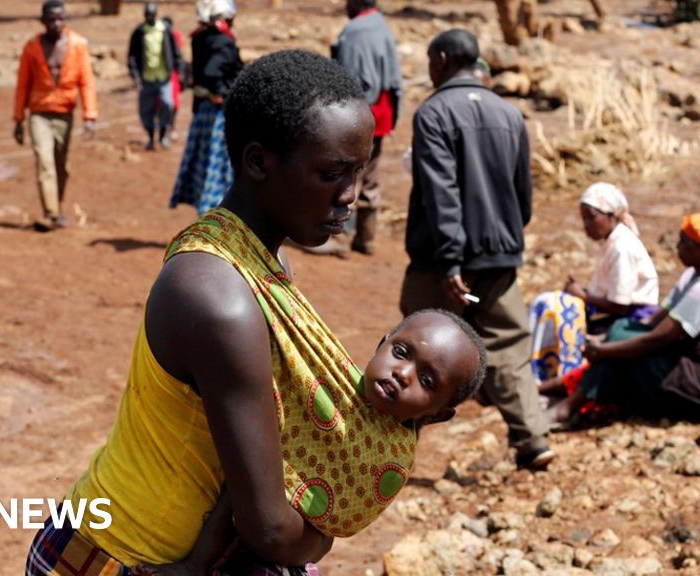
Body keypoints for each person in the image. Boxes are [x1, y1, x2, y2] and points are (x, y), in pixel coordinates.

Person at [24, 50, 477, 575]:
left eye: (359, 170)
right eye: (333, 173)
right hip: (129, 556)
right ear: (259, 162)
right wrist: (323, 542)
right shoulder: (221, 299)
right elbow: (269, 528)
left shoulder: (252, 255)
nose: (351, 195)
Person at [128, 309, 486, 575]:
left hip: (278, 555)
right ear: (381, 344)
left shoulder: (393, 455)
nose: (403, 374)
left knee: (253, 486)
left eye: (427, 380)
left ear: (438, 415)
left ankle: (193, 568)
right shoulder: (326, 379)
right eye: (402, 353)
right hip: (260, 529)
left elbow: (329, 520)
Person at [399, 29, 553, 470]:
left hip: (442, 259)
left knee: (417, 343)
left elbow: (440, 192)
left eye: (430, 62)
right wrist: (507, 236)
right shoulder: (509, 113)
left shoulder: (433, 114)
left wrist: (450, 259)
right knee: (507, 344)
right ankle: (533, 440)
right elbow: (524, 193)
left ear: (442, 59)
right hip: (499, 253)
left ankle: (390, 443)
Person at [553, 211, 700, 424]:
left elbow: (658, 338)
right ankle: (576, 402)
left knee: (621, 356)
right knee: (621, 330)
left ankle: (572, 405)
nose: (677, 247)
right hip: (699, 362)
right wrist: (608, 339)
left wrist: (604, 350)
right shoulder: (694, 275)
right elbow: (653, 322)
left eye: (684, 242)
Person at [530, 183, 659, 382]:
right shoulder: (613, 242)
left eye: (592, 217)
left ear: (611, 215)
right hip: (619, 314)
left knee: (559, 313)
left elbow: (620, 306)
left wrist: (582, 295)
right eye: (584, 219)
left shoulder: (621, 247)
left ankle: (563, 378)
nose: (587, 225)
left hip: (632, 320)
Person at [13, 0, 98, 232]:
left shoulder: (78, 45)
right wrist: (18, 118)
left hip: (64, 113)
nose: (56, 23)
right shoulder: (31, 48)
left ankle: (57, 207)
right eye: (51, 19)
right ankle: (50, 213)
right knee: (45, 161)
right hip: (39, 113)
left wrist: (90, 116)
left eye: (60, 18)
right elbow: (22, 84)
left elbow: (86, 81)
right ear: (43, 21)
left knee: (60, 165)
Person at [330, 0, 403, 256]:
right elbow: (395, 79)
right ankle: (366, 237)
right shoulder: (382, 26)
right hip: (382, 114)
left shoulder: (354, 31)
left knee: (349, 175)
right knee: (371, 173)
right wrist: (395, 116)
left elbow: (345, 81)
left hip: (359, 113)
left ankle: (340, 237)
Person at [169, 0, 242, 215]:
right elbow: (213, 72)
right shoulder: (222, 41)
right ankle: (216, 215)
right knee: (219, 167)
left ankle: (210, 212)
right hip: (218, 115)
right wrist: (223, 93)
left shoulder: (199, 38)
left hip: (203, 110)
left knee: (204, 163)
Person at [128, 1, 183, 151]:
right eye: (147, 14)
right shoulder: (139, 32)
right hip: (146, 79)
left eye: (152, 14)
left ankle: (163, 135)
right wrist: (135, 75)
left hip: (164, 78)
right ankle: (151, 137)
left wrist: (180, 71)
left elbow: (176, 52)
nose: (150, 17)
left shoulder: (165, 30)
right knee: (146, 111)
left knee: (167, 104)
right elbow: (132, 56)